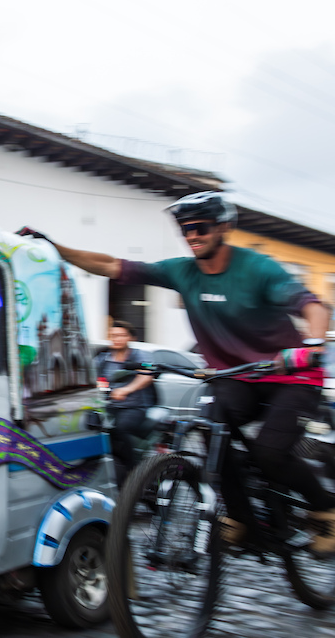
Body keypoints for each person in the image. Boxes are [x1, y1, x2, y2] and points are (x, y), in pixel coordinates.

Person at [20, 190, 335, 553]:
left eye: (200, 227)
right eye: (185, 229)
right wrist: (56, 249)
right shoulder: (181, 272)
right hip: (237, 376)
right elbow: (110, 265)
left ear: (224, 228)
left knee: (269, 453)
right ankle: (241, 519)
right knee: (212, 432)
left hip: (290, 376)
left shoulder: (257, 268)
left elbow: (313, 307)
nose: (192, 236)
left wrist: (311, 348)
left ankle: (325, 510)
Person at [94, 320, 154, 484]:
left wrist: (126, 389)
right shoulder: (103, 358)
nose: (117, 339)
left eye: (121, 335)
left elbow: (147, 375)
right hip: (109, 406)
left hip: (134, 408)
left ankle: (133, 473)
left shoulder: (139, 355)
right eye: (113, 335)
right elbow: (92, 377)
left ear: (130, 337)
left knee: (119, 429)